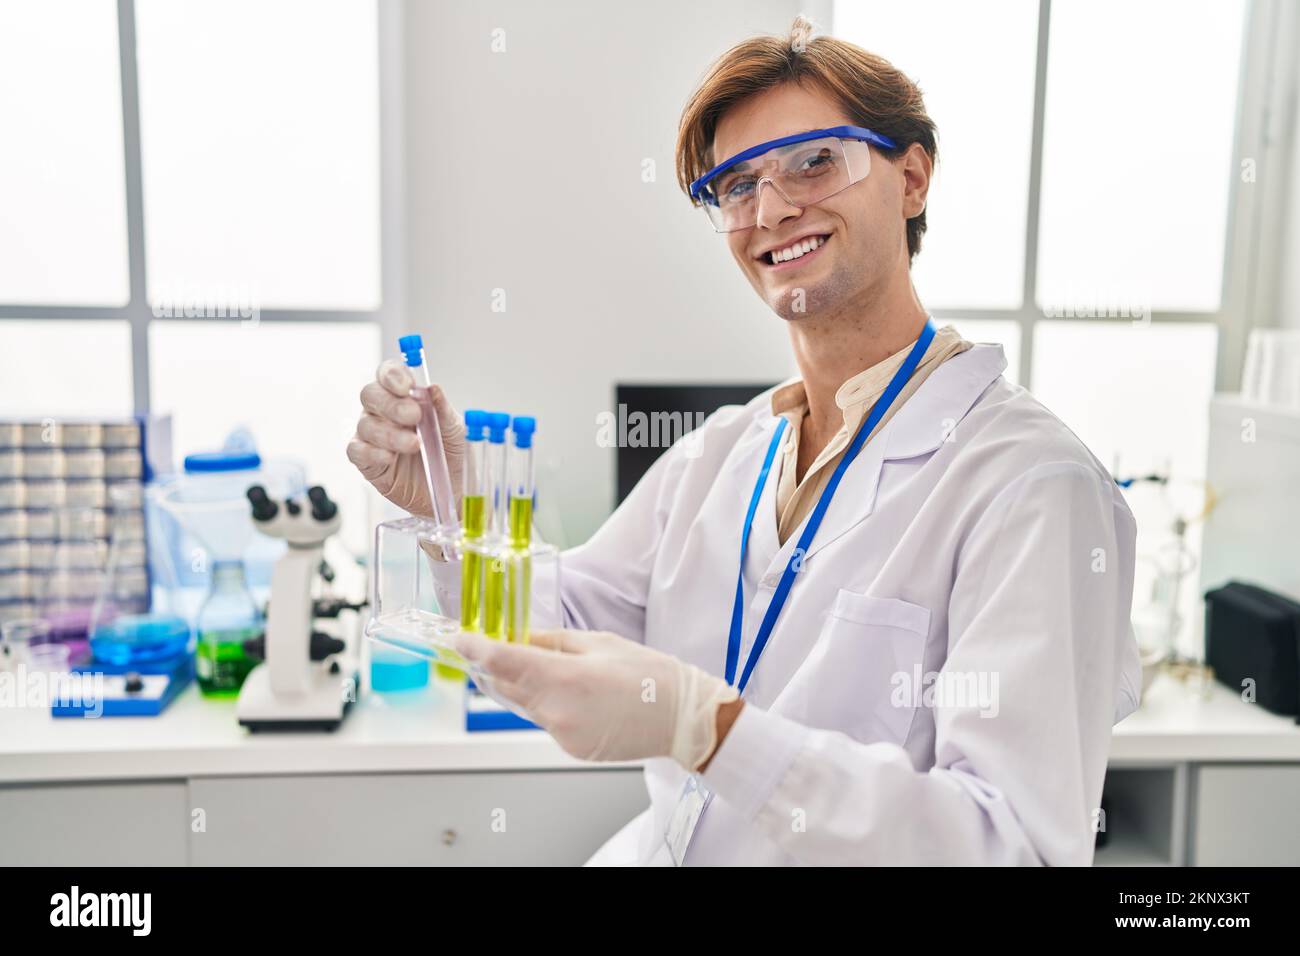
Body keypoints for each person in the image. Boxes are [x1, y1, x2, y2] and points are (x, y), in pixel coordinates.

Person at [347, 17, 1141, 866]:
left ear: (912, 178)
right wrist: (456, 500)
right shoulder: (719, 453)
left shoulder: (1036, 486)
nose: (771, 209)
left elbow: (1012, 847)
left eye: (815, 161)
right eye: (735, 184)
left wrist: (710, 728)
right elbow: (552, 633)